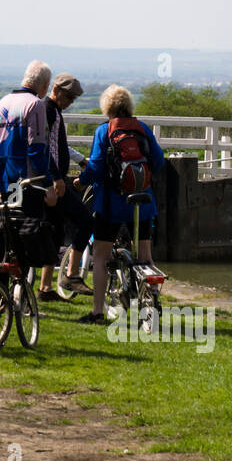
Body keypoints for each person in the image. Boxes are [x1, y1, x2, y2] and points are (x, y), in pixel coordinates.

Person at [66, 84, 165, 325]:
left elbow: (97, 167)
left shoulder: (104, 131)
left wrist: (81, 181)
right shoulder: (142, 129)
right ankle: (149, 303)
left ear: (107, 107)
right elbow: (159, 161)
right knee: (145, 257)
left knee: (100, 257)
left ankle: (97, 312)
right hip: (143, 201)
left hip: (111, 204)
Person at [38, 74, 92, 301]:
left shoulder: (54, 111)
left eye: (74, 98)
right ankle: (70, 274)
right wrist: (55, 177)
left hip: (53, 180)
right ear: (56, 89)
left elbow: (59, 145)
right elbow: (44, 146)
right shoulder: (48, 110)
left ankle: (45, 289)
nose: (71, 101)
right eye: (68, 96)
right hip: (54, 182)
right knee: (86, 220)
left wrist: (80, 160)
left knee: (56, 232)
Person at [0, 60, 53, 196]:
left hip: (0, 177)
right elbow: (35, 149)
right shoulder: (35, 104)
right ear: (46, 85)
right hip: (26, 181)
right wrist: (48, 183)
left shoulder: (3, 101)